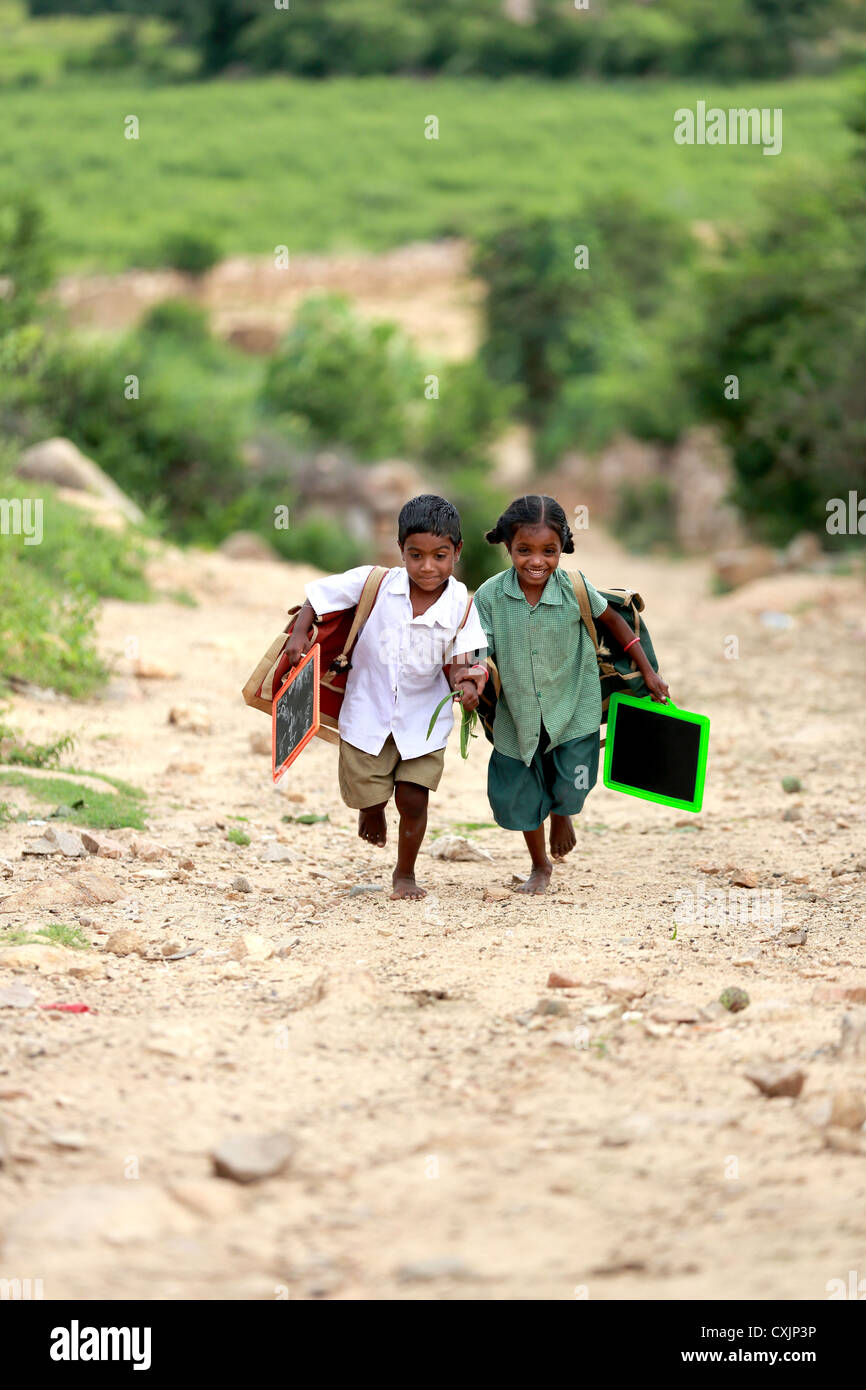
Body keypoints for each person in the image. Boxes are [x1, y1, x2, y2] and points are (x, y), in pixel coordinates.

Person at [284, 495, 487, 900]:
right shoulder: (375, 582)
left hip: (422, 720)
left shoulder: (462, 606)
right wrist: (297, 633)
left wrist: (467, 684)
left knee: (414, 798)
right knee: (367, 789)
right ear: (401, 551)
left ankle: (405, 873)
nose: (427, 567)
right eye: (416, 555)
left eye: (440, 555)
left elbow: (466, 660)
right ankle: (372, 808)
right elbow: (318, 598)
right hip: (367, 711)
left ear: (458, 552)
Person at [473, 494, 670, 895]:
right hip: (520, 711)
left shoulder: (574, 587)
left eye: (549, 550)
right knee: (519, 790)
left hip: (573, 704)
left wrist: (649, 672)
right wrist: (473, 678)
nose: (537, 561)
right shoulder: (489, 596)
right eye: (524, 550)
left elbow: (613, 620)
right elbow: (481, 650)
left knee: (573, 781)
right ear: (507, 546)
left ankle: (563, 813)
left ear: (562, 547)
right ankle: (539, 864)